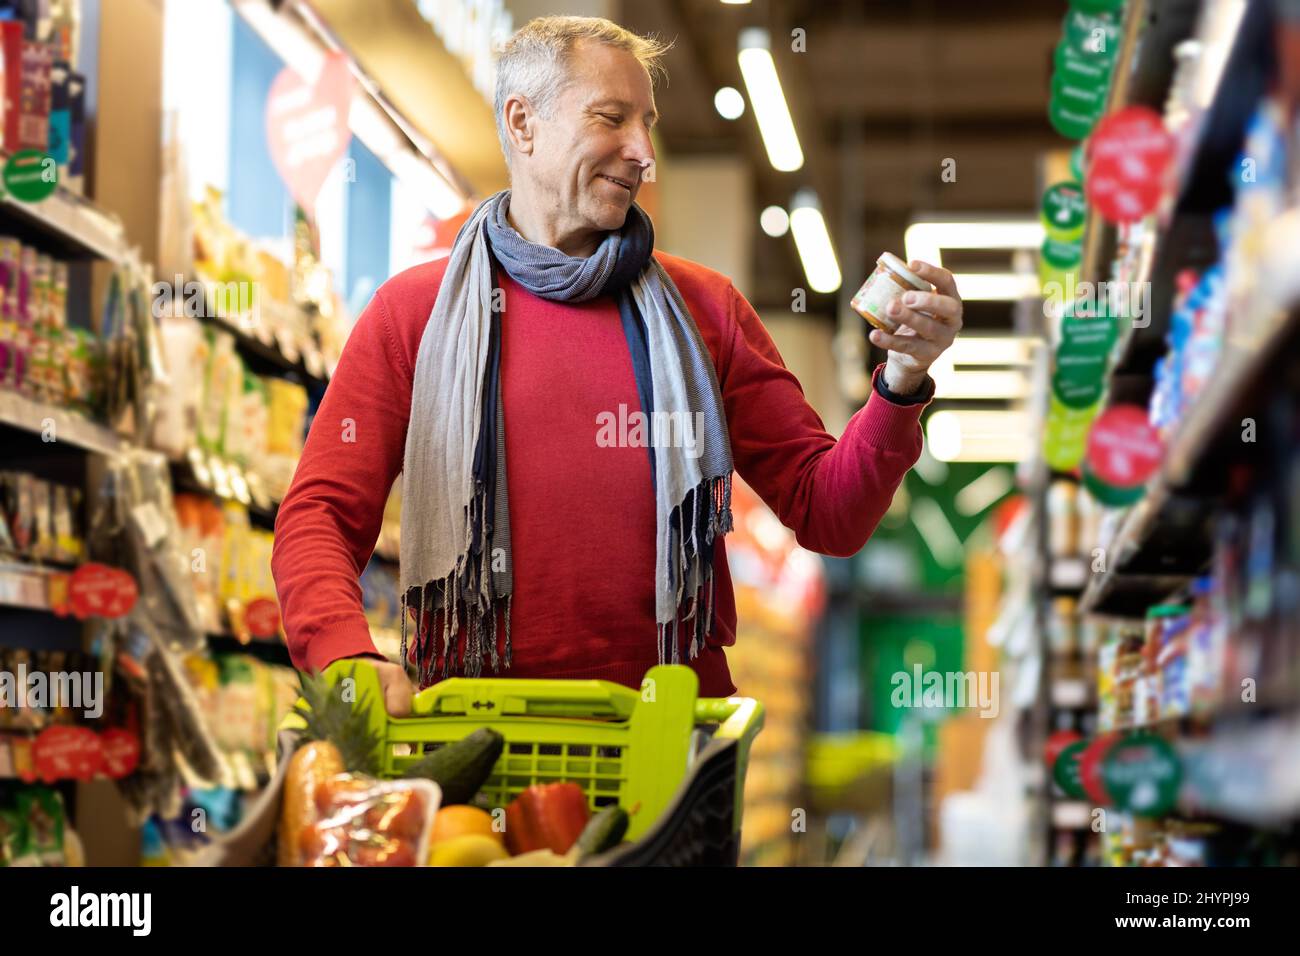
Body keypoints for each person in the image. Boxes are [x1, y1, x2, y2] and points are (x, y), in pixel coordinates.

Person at [271, 16, 962, 719]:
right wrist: (345, 656)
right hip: (474, 752)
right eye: (612, 118)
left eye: (648, 123)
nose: (642, 152)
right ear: (523, 123)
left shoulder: (707, 311)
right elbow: (319, 516)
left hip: (672, 755)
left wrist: (901, 382)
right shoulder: (411, 317)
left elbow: (828, 515)